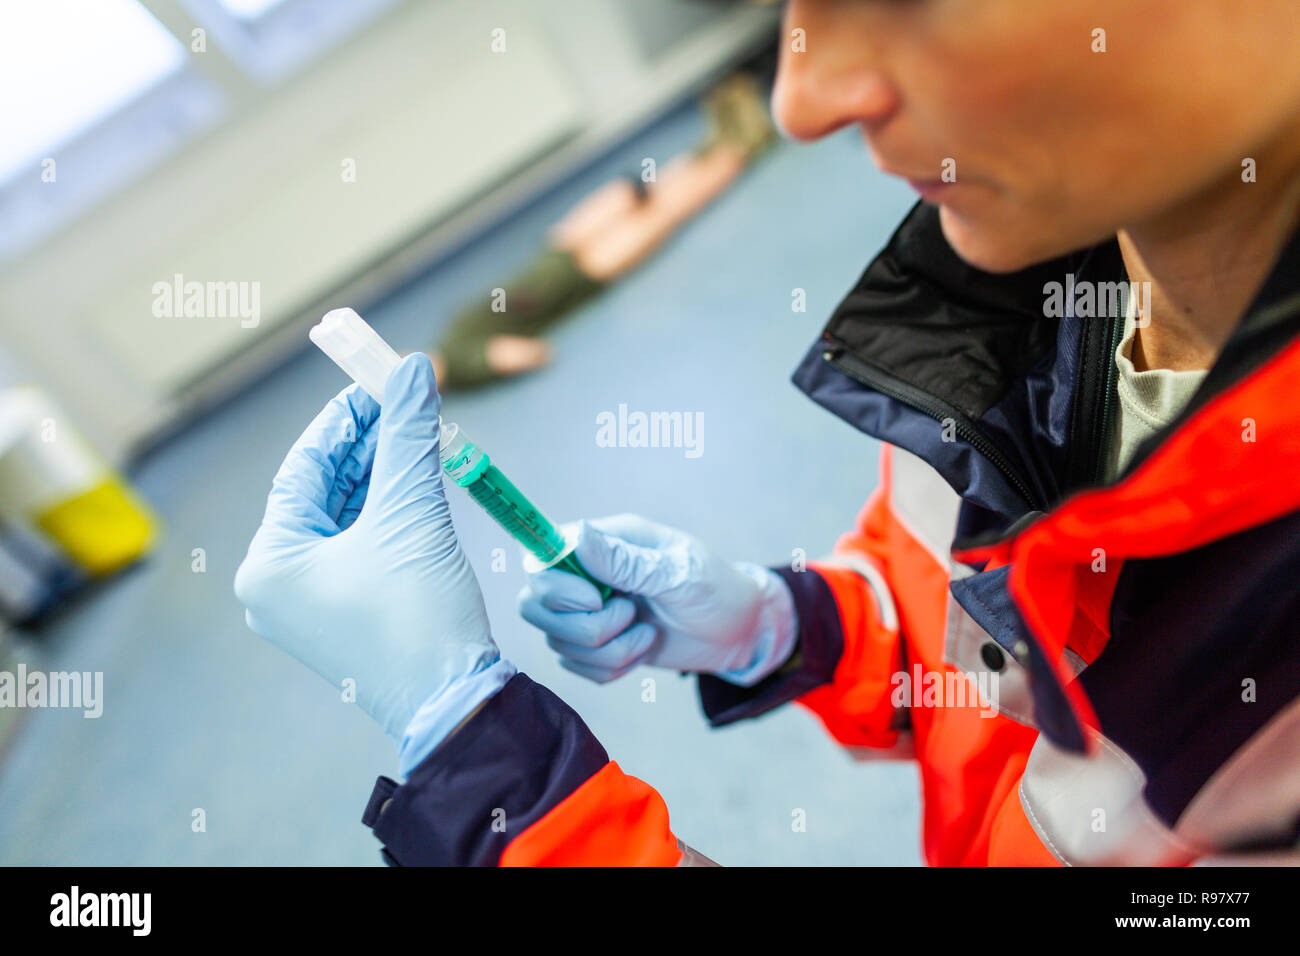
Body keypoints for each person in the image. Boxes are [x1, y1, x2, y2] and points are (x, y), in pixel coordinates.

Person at [235, 0, 1300, 866]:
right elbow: (983, 651)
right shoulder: (1013, 296)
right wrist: (791, 626)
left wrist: (481, 761)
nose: (802, 97)